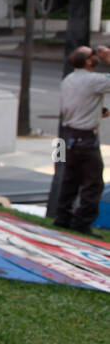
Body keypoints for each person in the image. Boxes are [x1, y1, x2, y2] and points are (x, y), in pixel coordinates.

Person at [52, 44, 110, 234]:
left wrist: (96, 111)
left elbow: (72, 104)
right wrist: (108, 56)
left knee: (69, 179)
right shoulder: (94, 80)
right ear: (87, 61)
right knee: (93, 183)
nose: (97, 55)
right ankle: (81, 223)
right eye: (93, 54)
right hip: (85, 138)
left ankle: (62, 217)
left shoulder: (68, 79)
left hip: (66, 136)